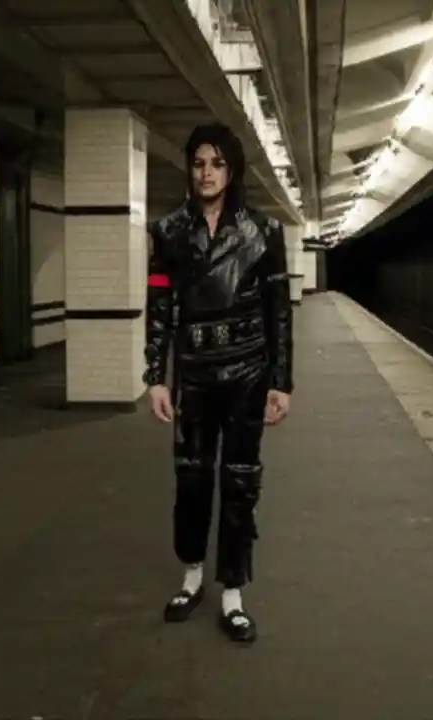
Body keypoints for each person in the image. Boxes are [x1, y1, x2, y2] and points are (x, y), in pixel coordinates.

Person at [142, 122, 294, 644]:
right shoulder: (168, 233)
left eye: (217, 163)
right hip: (194, 374)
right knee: (191, 479)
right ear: (190, 168)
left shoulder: (265, 233)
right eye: (199, 163)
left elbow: (280, 315)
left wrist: (281, 381)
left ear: (232, 170)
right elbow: (160, 307)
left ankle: (233, 589)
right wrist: (155, 377)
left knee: (240, 481)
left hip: (249, 371)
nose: (207, 173)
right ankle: (191, 576)